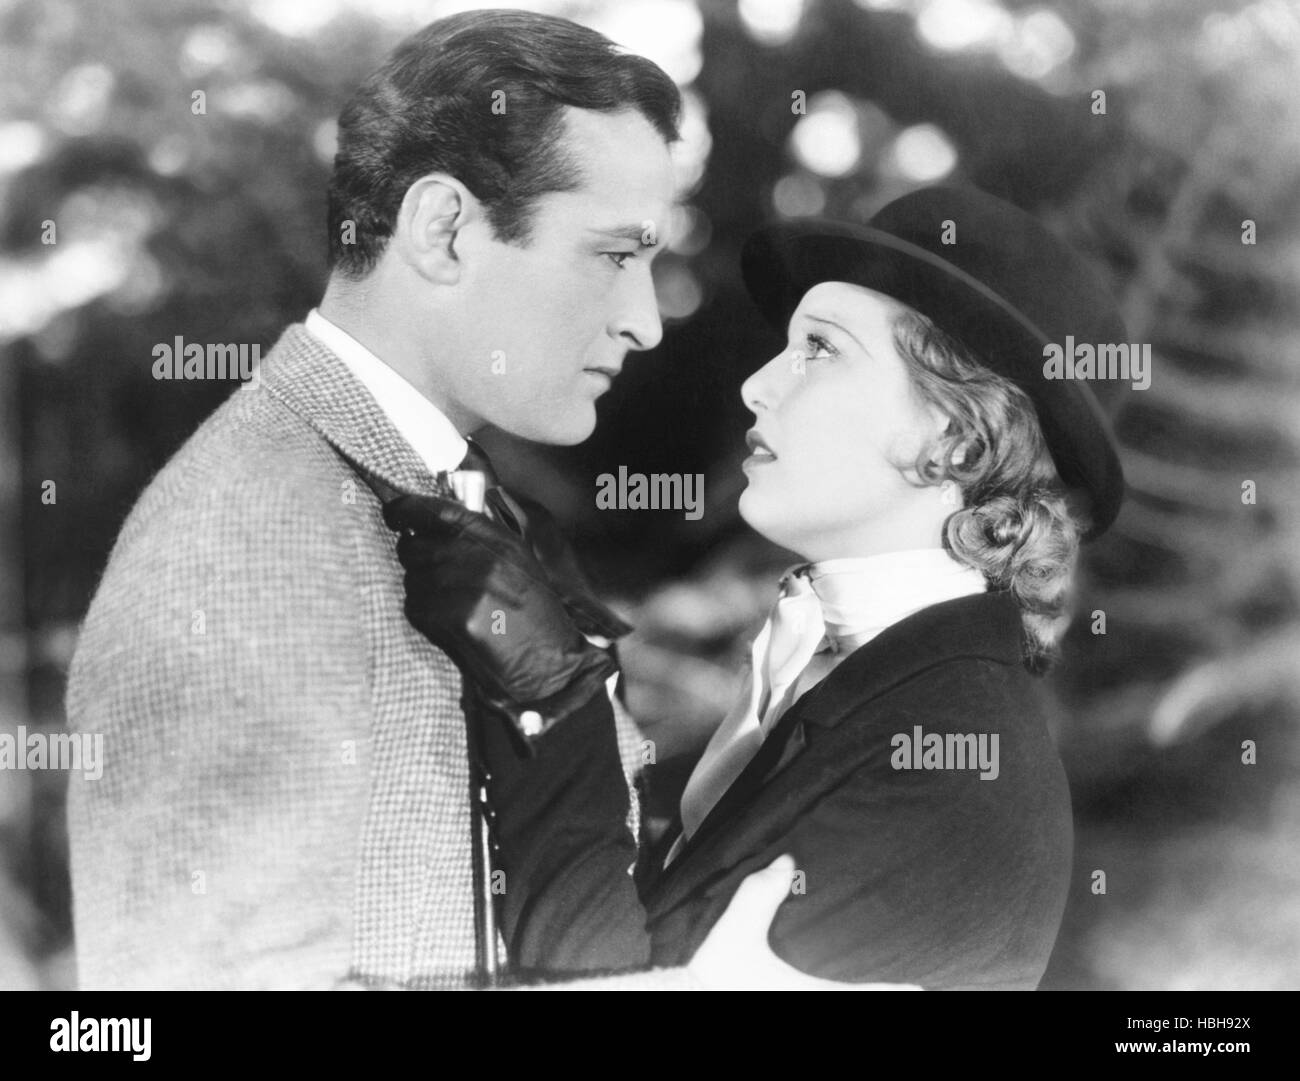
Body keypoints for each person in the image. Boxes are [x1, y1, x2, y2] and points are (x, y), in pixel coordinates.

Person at [62, 9, 833, 991]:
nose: (644, 322)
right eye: (611, 255)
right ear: (444, 230)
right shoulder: (245, 545)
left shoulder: (453, 499)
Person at [395, 185, 1128, 989]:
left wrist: (558, 707)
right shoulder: (854, 676)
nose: (758, 384)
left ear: (953, 435)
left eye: (821, 348)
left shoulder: (955, 769)